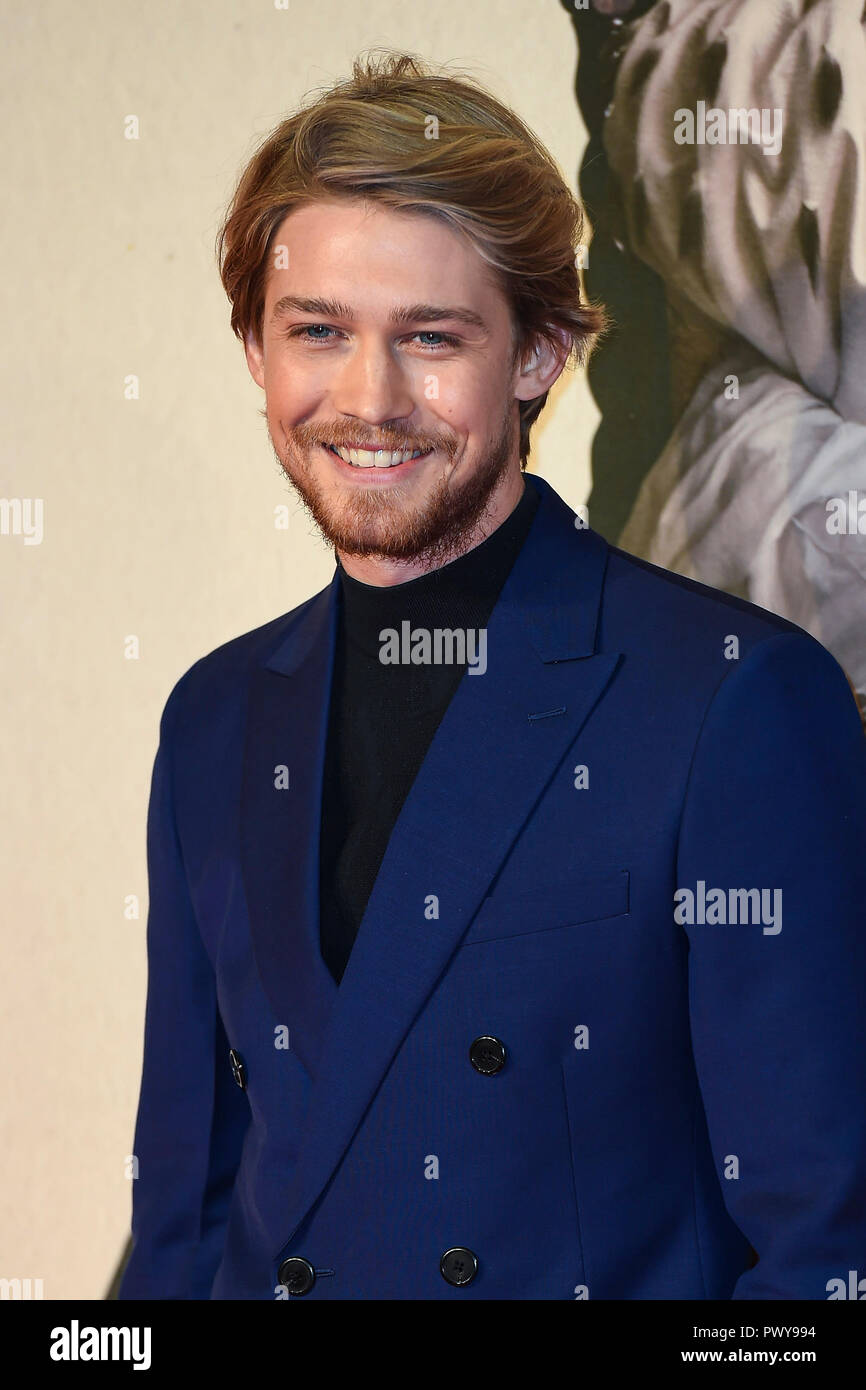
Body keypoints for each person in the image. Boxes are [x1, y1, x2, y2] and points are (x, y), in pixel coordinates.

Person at [117, 51, 866, 1301]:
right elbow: (184, 1217)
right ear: (255, 350)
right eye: (318, 332)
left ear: (540, 355)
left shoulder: (733, 701)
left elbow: (824, 1246)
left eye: (430, 337)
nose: (369, 399)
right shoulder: (213, 716)